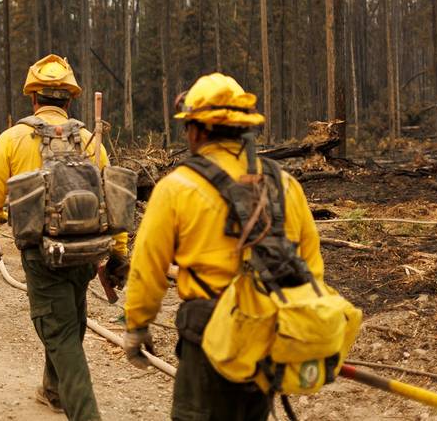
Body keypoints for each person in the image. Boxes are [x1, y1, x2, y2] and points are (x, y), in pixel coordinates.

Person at [122, 73, 325, 421]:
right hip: (267, 333)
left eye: (188, 128)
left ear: (199, 131)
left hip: (207, 339)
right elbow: (311, 265)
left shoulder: (177, 187)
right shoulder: (286, 184)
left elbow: (148, 265)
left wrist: (138, 325)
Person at [0, 54, 128, 419]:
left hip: (41, 256)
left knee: (58, 331)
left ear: (33, 98)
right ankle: (53, 390)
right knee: (69, 321)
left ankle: (85, 414)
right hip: (87, 253)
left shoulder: (12, 139)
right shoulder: (90, 139)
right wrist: (118, 252)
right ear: (70, 100)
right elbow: (113, 197)